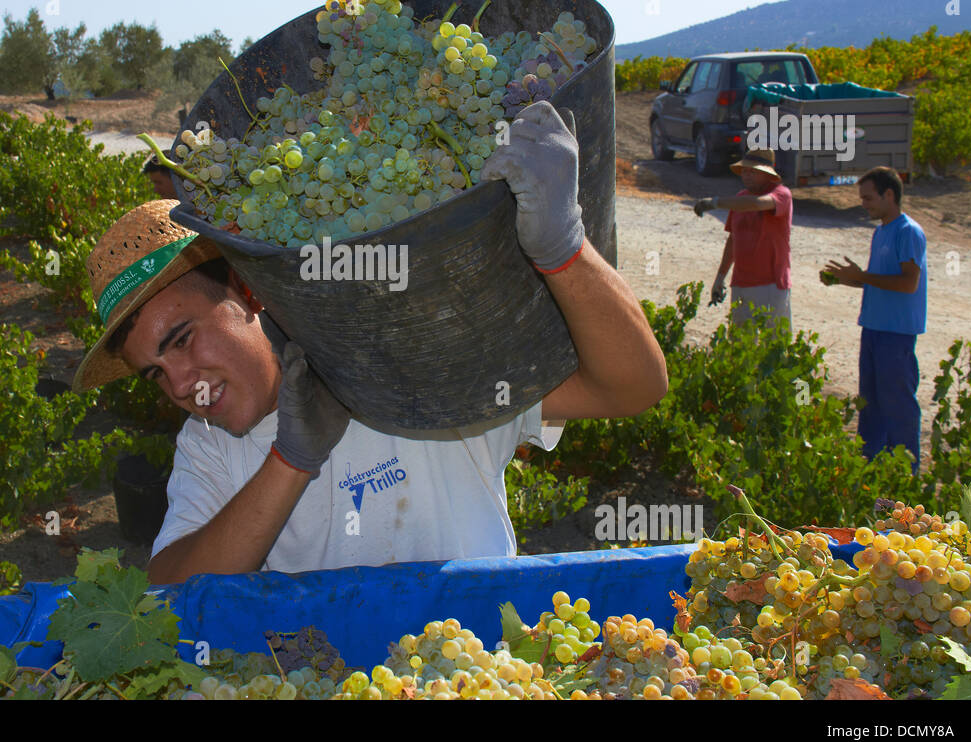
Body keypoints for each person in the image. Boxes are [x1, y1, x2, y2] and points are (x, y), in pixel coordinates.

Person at [71, 102, 668, 584]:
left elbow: (633, 387)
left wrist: (565, 251)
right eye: (153, 372)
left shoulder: (414, 352)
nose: (179, 385)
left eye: (181, 340)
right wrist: (291, 461)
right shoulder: (209, 449)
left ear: (247, 292)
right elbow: (169, 589)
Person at [824, 166, 927, 471]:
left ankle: (905, 475)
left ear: (889, 195)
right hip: (873, 328)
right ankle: (871, 474)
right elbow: (878, 279)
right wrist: (848, 279)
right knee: (870, 405)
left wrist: (862, 276)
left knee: (897, 405)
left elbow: (909, 283)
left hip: (896, 333)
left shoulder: (908, 232)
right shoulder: (881, 231)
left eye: (868, 198)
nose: (863, 204)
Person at [694, 147, 793, 329]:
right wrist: (720, 278)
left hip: (771, 284)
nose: (747, 175)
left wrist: (714, 202)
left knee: (772, 345)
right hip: (741, 283)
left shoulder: (781, 194)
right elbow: (733, 241)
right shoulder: (740, 198)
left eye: (753, 172)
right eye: (745, 171)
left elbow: (756, 204)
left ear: (767, 174)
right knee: (740, 347)